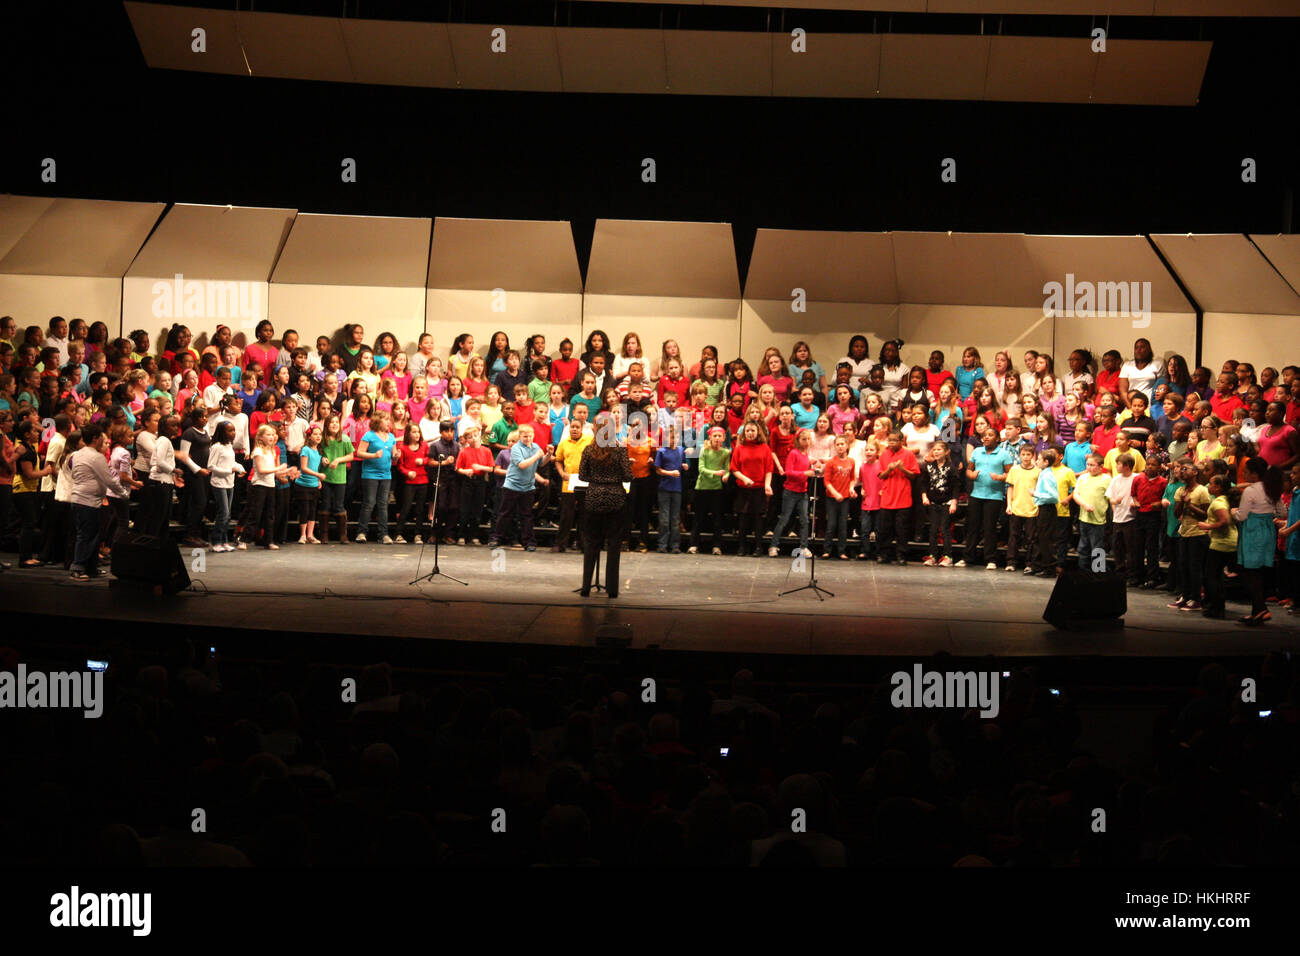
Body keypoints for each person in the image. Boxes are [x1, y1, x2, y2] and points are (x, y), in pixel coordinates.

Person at [65, 424, 133, 580]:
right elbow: (109, 480)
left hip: (82, 500)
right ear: (95, 438)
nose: (104, 439)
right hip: (86, 502)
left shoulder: (78, 454)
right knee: (86, 536)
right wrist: (123, 494)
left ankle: (91, 567)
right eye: (102, 437)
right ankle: (78, 568)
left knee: (93, 535)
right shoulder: (96, 457)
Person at [577, 414, 633, 597]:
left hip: (593, 497)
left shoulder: (588, 450)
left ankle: (586, 587)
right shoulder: (620, 451)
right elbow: (627, 476)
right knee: (614, 545)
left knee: (591, 544)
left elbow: (582, 476)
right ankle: (612, 590)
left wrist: (597, 479)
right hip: (615, 498)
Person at [1233, 456, 1284, 625]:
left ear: (1255, 474)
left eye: (1246, 472)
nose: (1245, 475)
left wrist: (1233, 511)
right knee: (1259, 571)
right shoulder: (1272, 488)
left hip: (1252, 531)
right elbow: (1281, 512)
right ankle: (1257, 611)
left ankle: (1261, 608)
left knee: (1249, 571)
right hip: (1267, 530)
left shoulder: (1251, 490)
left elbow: (1242, 515)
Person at [1169, 459, 1211, 612]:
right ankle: (1185, 596)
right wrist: (1181, 502)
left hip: (1198, 533)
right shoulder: (1180, 491)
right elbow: (1176, 513)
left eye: (1185, 469)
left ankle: (1196, 598)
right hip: (1184, 532)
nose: (1182, 471)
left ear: (1195, 472)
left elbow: (1205, 514)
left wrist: (1190, 504)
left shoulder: (1202, 491)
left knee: (1195, 567)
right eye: (1181, 469)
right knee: (1183, 566)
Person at [1197, 474, 1238, 620]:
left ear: (1218, 487)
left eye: (1211, 484)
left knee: (1211, 576)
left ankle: (1216, 608)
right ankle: (1217, 606)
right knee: (1216, 575)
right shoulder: (1224, 499)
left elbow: (1225, 521)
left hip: (1222, 543)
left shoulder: (1218, 502)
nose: (1208, 486)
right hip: (1226, 541)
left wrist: (1207, 525)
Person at [354, 412, 397, 544]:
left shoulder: (391, 437)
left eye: (389, 420)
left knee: (383, 504)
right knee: (369, 503)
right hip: (370, 474)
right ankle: (362, 532)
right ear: (378, 421)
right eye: (386, 419)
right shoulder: (369, 435)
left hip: (386, 475)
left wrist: (396, 455)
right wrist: (373, 455)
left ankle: (383, 534)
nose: (388, 422)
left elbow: (393, 455)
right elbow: (359, 453)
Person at [1072, 454, 1110, 571]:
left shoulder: (1107, 479)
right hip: (1084, 518)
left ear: (1101, 466)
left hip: (1099, 520)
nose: (1089, 467)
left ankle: (1098, 573)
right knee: (1083, 547)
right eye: (1088, 464)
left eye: (1092, 465)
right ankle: (1084, 572)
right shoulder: (1083, 478)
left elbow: (1111, 498)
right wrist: (1084, 505)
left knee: (1097, 548)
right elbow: (1075, 494)